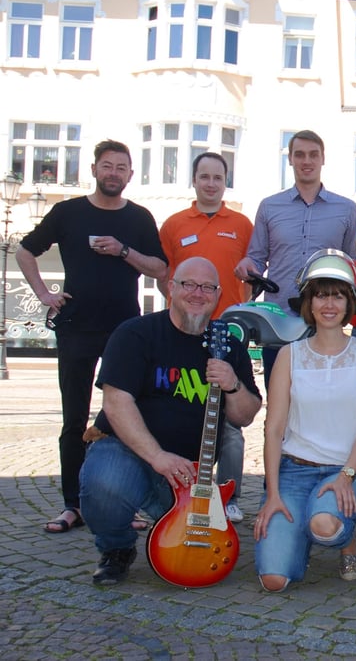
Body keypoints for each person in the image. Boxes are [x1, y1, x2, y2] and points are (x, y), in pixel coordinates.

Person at [16, 139, 168, 535]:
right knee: (73, 420)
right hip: (76, 327)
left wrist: (122, 251)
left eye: (121, 167)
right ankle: (73, 505)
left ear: (130, 175)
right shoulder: (68, 213)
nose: (113, 173)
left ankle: (125, 501)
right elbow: (25, 251)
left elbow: (159, 269)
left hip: (126, 331)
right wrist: (44, 295)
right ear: (95, 169)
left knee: (128, 418)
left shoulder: (139, 218)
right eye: (107, 166)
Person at [78, 257, 262, 585]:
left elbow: (244, 416)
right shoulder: (136, 333)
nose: (197, 293)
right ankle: (117, 548)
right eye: (188, 284)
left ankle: (164, 523)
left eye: (207, 287)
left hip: (188, 476)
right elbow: (117, 403)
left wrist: (233, 383)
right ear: (170, 288)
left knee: (190, 524)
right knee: (104, 486)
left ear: (218, 295)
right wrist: (157, 457)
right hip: (129, 452)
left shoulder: (228, 345)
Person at [253, 250, 356, 590]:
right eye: (321, 295)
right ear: (308, 304)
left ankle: (343, 538)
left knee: (325, 523)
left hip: (350, 471)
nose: (329, 304)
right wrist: (272, 493)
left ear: (349, 303)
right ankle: (305, 530)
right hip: (295, 470)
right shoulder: (289, 354)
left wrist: (346, 476)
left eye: (338, 295)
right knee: (273, 580)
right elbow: (274, 428)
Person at [158, 152, 253, 523]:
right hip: (182, 333)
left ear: (225, 182)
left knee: (230, 418)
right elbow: (163, 275)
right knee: (177, 405)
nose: (211, 183)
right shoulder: (173, 224)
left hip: (226, 331)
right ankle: (169, 492)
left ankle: (229, 495)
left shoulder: (243, 225)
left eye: (218, 177)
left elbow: (250, 273)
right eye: (204, 176)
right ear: (194, 180)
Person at [234, 130, 356, 386]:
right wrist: (248, 266)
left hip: (325, 324)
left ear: (323, 159)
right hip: (278, 323)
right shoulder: (269, 207)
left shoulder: (346, 209)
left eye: (313, 155)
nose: (307, 161)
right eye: (299, 154)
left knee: (323, 400)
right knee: (278, 400)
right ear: (289, 159)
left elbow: (351, 265)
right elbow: (256, 259)